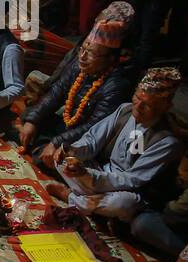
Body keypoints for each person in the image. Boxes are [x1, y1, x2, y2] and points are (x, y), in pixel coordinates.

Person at [46, 66, 182, 228]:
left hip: (127, 189)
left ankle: (71, 197)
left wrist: (89, 176)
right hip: (101, 171)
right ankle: (97, 207)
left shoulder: (166, 141)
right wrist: (72, 152)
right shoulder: (125, 110)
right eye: (137, 98)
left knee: (123, 204)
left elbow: (133, 180)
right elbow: (92, 140)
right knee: (60, 158)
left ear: (165, 107)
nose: (138, 107)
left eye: (147, 105)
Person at [20, 7, 137, 166]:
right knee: (29, 117)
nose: (82, 57)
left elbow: (93, 127)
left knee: (63, 160)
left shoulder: (116, 85)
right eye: (83, 49)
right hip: (68, 125)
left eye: (91, 53)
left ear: (110, 59)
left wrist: (57, 142)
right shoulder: (79, 65)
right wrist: (32, 120)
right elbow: (57, 92)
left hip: (87, 138)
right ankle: (42, 147)